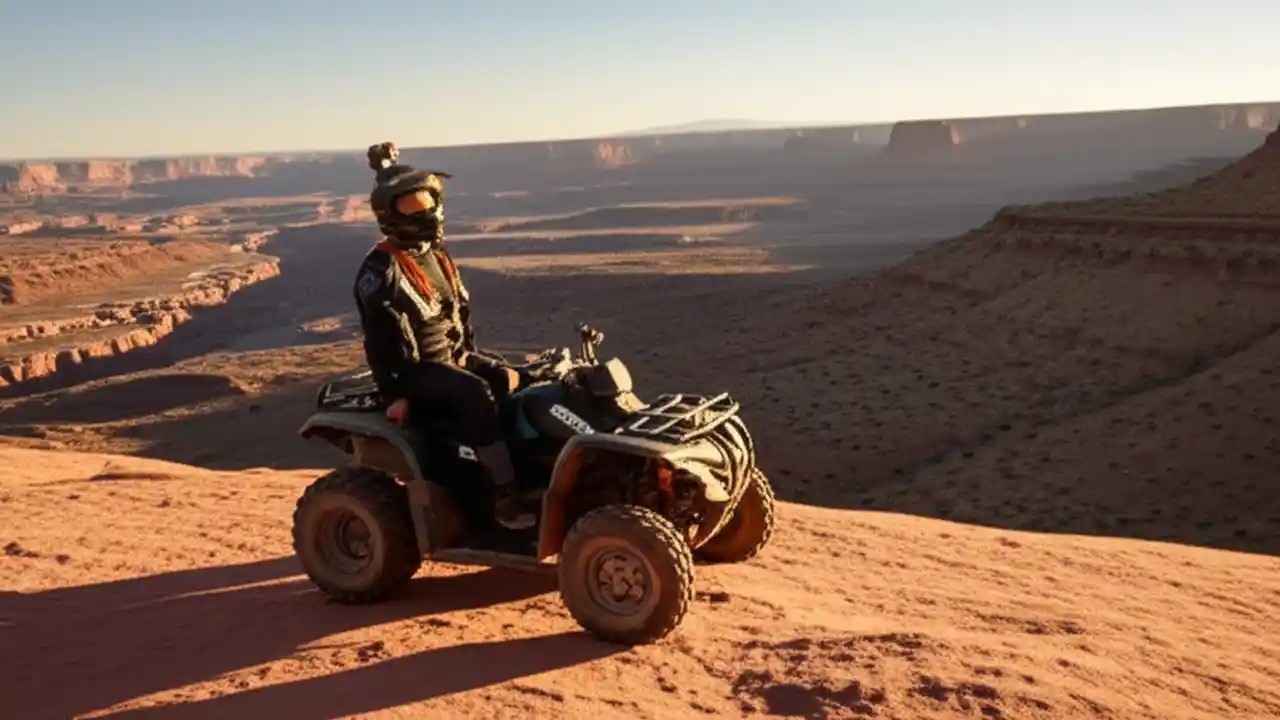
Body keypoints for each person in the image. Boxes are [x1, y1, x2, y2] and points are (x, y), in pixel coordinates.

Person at [353, 141, 535, 530]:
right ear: (389, 213)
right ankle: (505, 494)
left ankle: (513, 466)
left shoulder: (435, 256)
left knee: (517, 379)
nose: (426, 211)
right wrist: (395, 394)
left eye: (428, 200)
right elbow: (378, 340)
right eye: (411, 205)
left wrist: (475, 357)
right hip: (417, 370)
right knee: (477, 395)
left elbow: (457, 317)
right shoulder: (381, 271)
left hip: (454, 357)